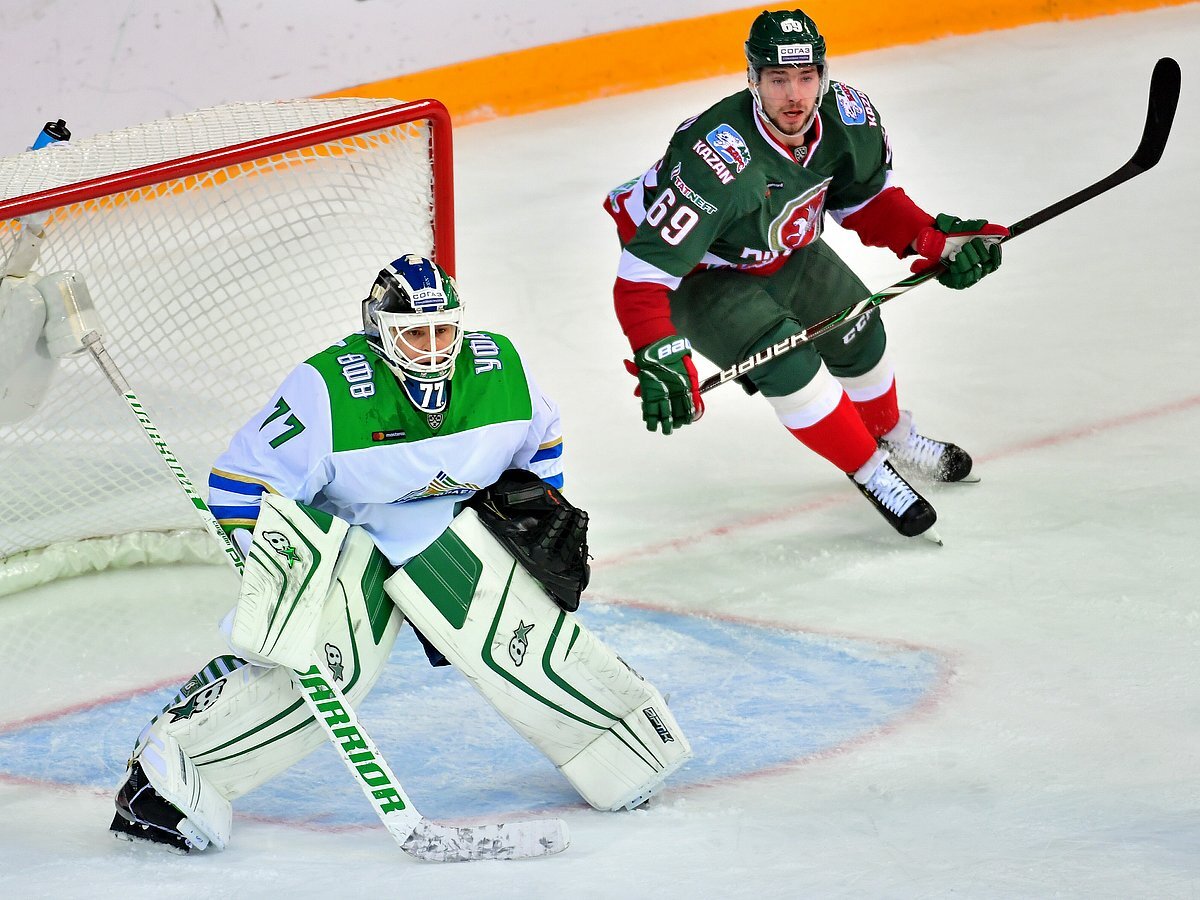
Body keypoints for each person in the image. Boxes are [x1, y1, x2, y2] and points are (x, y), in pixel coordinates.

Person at [109, 254, 689, 852]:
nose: (432, 348)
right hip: (351, 544)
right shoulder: (328, 387)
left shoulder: (500, 368)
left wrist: (541, 512)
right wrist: (284, 568)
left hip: (457, 534)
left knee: (524, 644)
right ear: (380, 332)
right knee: (328, 674)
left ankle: (619, 746)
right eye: (414, 332)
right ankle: (165, 776)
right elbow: (238, 484)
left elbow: (540, 440)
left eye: (443, 331)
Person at [604, 9, 1008, 540]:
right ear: (752, 79)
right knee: (789, 364)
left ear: (822, 73)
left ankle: (891, 435)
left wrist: (931, 239)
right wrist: (656, 346)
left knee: (859, 326)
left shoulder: (846, 117)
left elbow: (866, 202)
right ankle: (871, 470)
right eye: (777, 79)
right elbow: (639, 279)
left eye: (805, 76)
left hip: (777, 247)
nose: (794, 95)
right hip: (698, 273)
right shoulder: (717, 159)